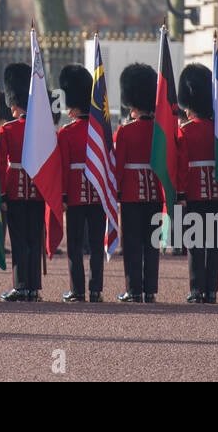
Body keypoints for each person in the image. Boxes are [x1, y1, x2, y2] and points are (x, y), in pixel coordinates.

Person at [56, 64, 105, 303]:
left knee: (75, 245)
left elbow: (63, 168)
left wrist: (63, 196)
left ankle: (77, 289)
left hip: (75, 194)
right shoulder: (100, 131)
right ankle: (96, 289)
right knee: (96, 244)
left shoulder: (66, 133)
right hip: (98, 193)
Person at [114, 63, 162, 304]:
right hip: (155, 192)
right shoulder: (159, 131)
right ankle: (150, 289)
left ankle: (133, 289)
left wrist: (117, 190)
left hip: (132, 193)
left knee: (132, 243)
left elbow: (119, 166)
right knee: (151, 242)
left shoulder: (124, 132)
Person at [176, 63, 218, 304]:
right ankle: (212, 290)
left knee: (195, 243)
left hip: (193, 191)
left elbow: (182, 165)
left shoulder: (185, 132)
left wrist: (180, 193)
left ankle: (196, 290)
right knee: (214, 243)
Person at [0, 62, 43, 302]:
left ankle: (21, 285)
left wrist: (2, 194)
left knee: (17, 240)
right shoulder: (44, 130)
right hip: (38, 189)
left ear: (14, 104)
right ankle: (34, 286)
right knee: (34, 239)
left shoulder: (7, 130)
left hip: (15, 189)